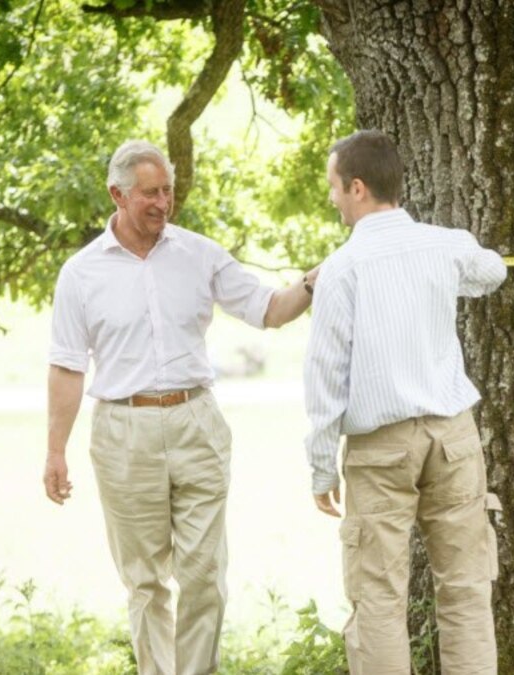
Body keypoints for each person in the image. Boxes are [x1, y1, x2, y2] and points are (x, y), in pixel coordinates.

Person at [43, 139, 316, 675]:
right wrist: (56, 451)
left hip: (196, 423)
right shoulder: (80, 274)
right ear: (116, 194)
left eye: (167, 191)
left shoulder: (199, 253)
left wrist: (311, 282)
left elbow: (268, 309)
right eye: (150, 193)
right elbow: (67, 366)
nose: (163, 203)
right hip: (123, 429)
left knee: (204, 574)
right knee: (144, 581)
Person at [303, 129, 507, 674]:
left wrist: (322, 468)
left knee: (378, 599)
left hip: (380, 448)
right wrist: (447, 269)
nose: (332, 198)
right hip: (452, 439)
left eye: (334, 187)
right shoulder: (445, 245)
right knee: (466, 590)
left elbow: (324, 375)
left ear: (359, 188)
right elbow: (494, 271)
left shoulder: (341, 270)